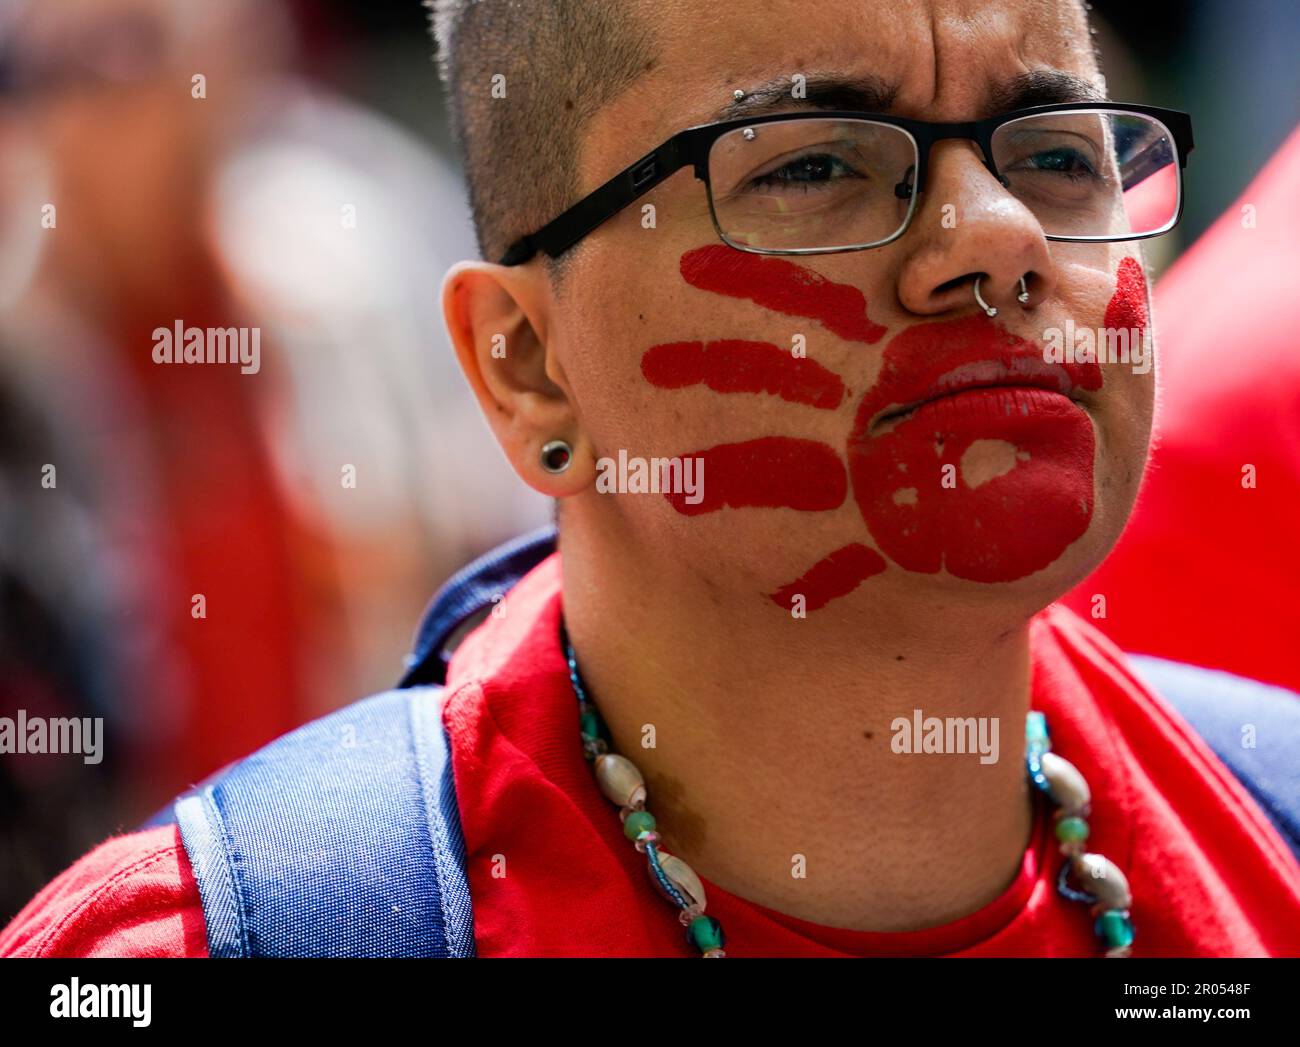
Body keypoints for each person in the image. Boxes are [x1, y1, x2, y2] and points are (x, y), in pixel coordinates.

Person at [3, 0, 1298, 959]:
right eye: (815, 163)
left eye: (1058, 153)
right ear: (527, 368)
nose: (1000, 242)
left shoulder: (1272, 836)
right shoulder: (192, 951)